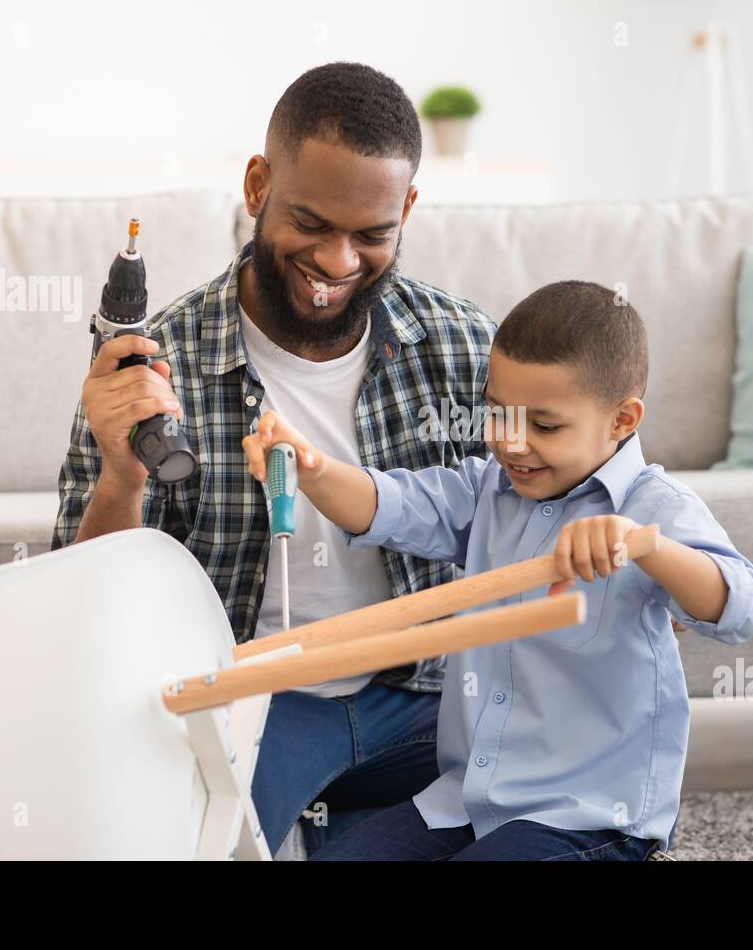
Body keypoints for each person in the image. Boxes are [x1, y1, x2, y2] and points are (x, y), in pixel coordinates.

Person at [52, 63, 495, 857]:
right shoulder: (159, 366)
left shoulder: (464, 345)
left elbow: (571, 491)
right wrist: (122, 476)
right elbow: (80, 613)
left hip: (425, 699)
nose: (337, 262)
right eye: (311, 223)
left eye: (372, 234)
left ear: (408, 210)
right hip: (259, 708)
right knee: (170, 841)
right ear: (257, 185)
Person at [243, 280, 753, 860]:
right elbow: (384, 505)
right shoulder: (487, 490)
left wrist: (645, 547)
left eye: (544, 427)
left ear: (622, 420)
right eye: (497, 414)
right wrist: (313, 467)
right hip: (466, 803)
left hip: (590, 816)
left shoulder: (654, 510)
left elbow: (743, 608)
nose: (511, 443)